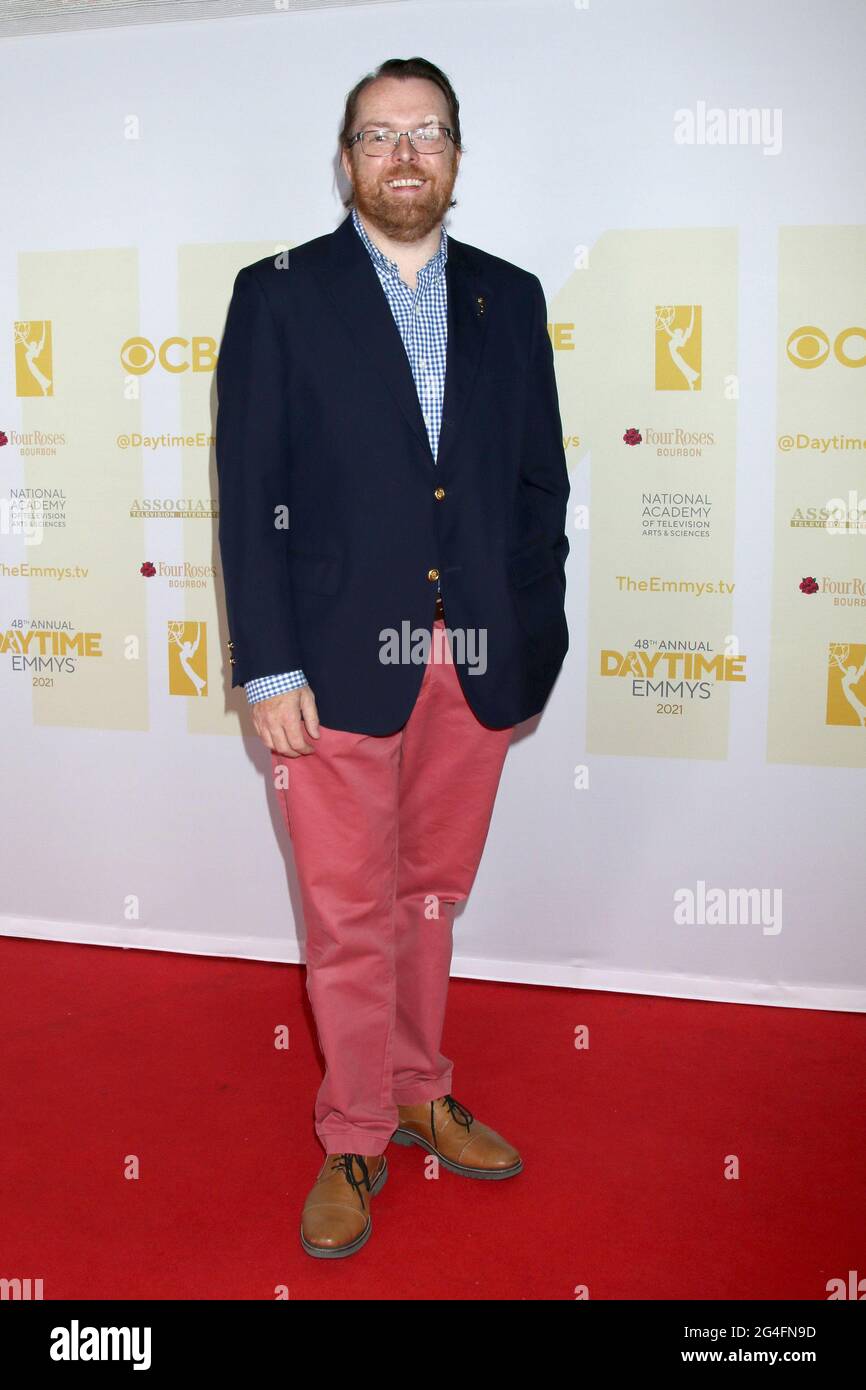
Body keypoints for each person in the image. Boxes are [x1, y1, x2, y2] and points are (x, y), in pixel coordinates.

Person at [215, 56, 569, 1259]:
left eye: (426, 133)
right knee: (348, 909)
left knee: (430, 895)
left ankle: (420, 1089)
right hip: (325, 665)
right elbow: (247, 492)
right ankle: (354, 1131)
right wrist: (267, 667)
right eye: (379, 134)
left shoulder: (509, 300)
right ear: (346, 160)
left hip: (472, 661)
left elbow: (538, 490)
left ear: (456, 157)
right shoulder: (278, 295)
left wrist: (533, 639)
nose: (403, 154)